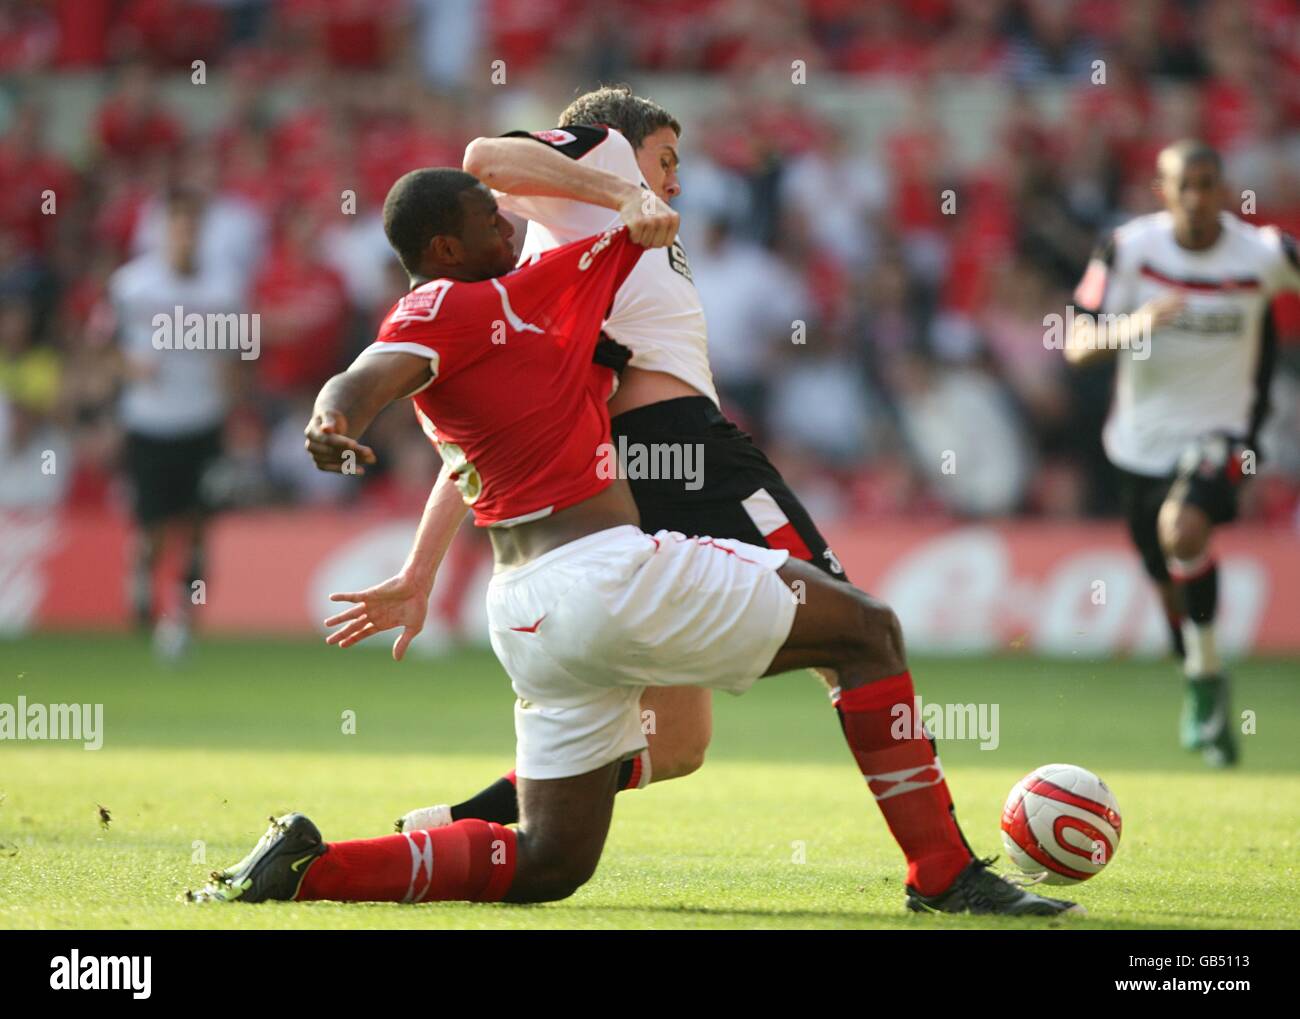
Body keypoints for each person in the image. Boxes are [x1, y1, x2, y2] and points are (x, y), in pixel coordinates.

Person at [190, 168, 1078, 916]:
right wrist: (331, 416)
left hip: (531, 619)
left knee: (550, 862)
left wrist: (645, 214)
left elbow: (629, 238)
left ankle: (314, 866)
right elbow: (366, 371)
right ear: (444, 251)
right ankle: (944, 873)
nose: (507, 221)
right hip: (602, 574)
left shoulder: (546, 289)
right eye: (485, 218)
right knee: (867, 632)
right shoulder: (443, 306)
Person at [323, 86, 853, 834]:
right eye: (666, 160)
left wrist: (420, 571)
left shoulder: (535, 274)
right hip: (674, 449)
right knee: (850, 629)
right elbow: (485, 156)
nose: (673, 182)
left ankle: (459, 822)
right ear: (616, 144)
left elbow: (482, 451)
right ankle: (942, 864)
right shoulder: (603, 164)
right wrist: (624, 187)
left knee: (677, 742)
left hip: (608, 485)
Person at [1065, 140, 1300, 766]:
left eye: (1208, 184)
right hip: (1139, 445)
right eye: (1184, 186)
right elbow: (1075, 343)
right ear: (1162, 193)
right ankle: (1205, 676)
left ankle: (1202, 682)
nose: (1197, 199)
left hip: (1225, 432)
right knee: (1167, 579)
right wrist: (1131, 328)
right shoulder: (1127, 249)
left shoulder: (1264, 253)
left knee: (1183, 529)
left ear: (1225, 191)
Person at [108, 186, 242, 659]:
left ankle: (182, 618)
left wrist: (236, 417)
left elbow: (234, 358)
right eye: (178, 225)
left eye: (193, 226)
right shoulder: (133, 285)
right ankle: (142, 579)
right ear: (163, 230)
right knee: (154, 531)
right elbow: (103, 346)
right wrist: (131, 366)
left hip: (203, 423)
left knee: (200, 526)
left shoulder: (223, 289)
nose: (186, 235)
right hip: (150, 423)